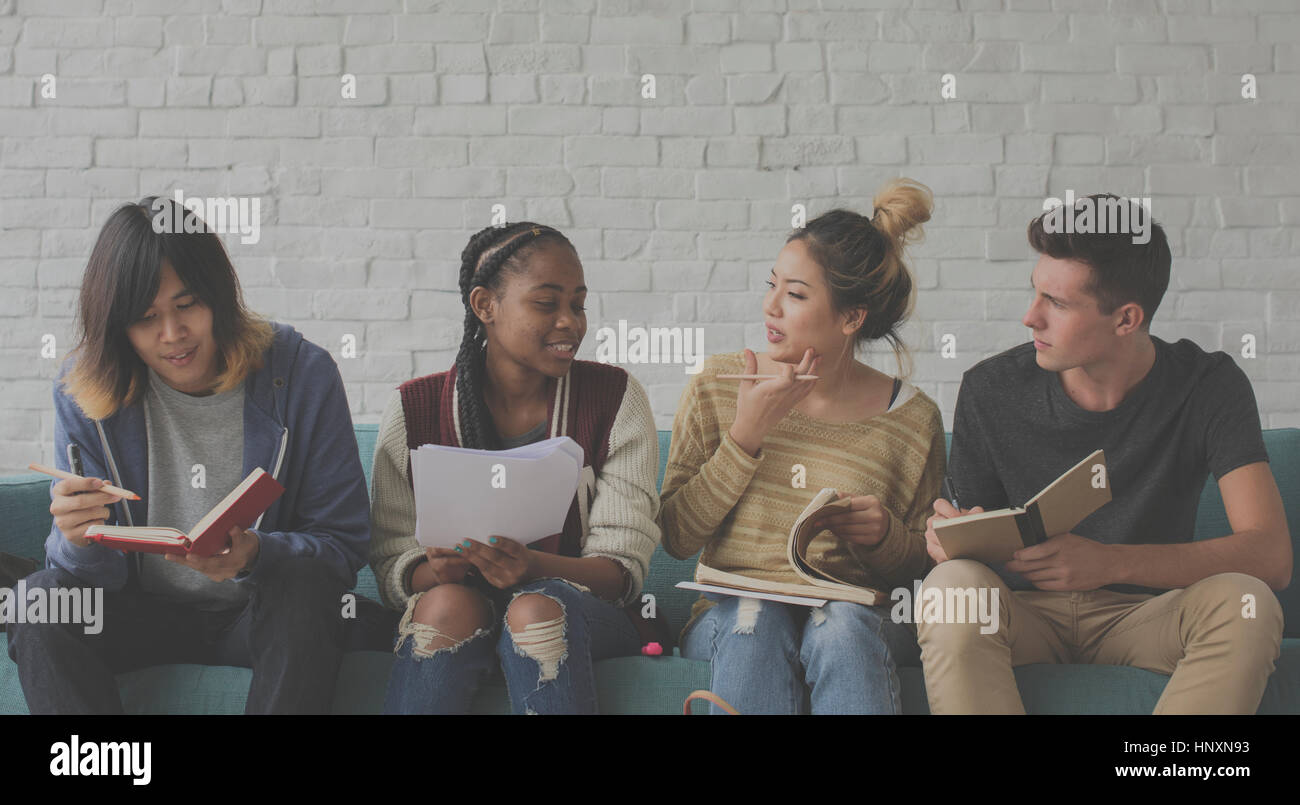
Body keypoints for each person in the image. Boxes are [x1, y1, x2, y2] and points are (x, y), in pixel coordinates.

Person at [919, 194, 1290, 714]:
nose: (1030, 318)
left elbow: (1270, 557)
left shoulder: (1208, 385)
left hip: (1148, 615)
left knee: (1248, 606)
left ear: (1126, 319)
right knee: (953, 587)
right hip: (1024, 615)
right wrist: (950, 542)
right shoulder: (990, 387)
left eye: (1058, 303)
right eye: (1035, 294)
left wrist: (1109, 562)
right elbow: (975, 549)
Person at [8, 196, 373, 714]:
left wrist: (258, 554)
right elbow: (87, 580)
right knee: (40, 598)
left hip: (259, 618)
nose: (172, 335)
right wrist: (78, 542)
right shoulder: (84, 391)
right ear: (117, 326)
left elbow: (342, 545)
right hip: (138, 616)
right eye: (145, 318)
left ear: (219, 297)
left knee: (305, 586)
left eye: (187, 305)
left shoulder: (298, 373)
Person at [658, 179, 945, 714]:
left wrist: (884, 537)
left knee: (840, 626)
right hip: (732, 611)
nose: (770, 306)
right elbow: (674, 536)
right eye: (773, 285)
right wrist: (744, 437)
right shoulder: (720, 385)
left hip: (850, 613)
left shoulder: (912, 420)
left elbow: (923, 573)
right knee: (755, 620)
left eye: (794, 294)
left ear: (851, 318)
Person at [370, 222, 661, 715]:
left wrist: (534, 567)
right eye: (547, 304)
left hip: (584, 612)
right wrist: (432, 570)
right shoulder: (413, 409)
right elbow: (392, 564)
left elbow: (621, 574)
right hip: (461, 606)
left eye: (578, 304)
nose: (570, 322)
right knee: (446, 605)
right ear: (485, 305)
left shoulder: (615, 399)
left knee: (535, 610)